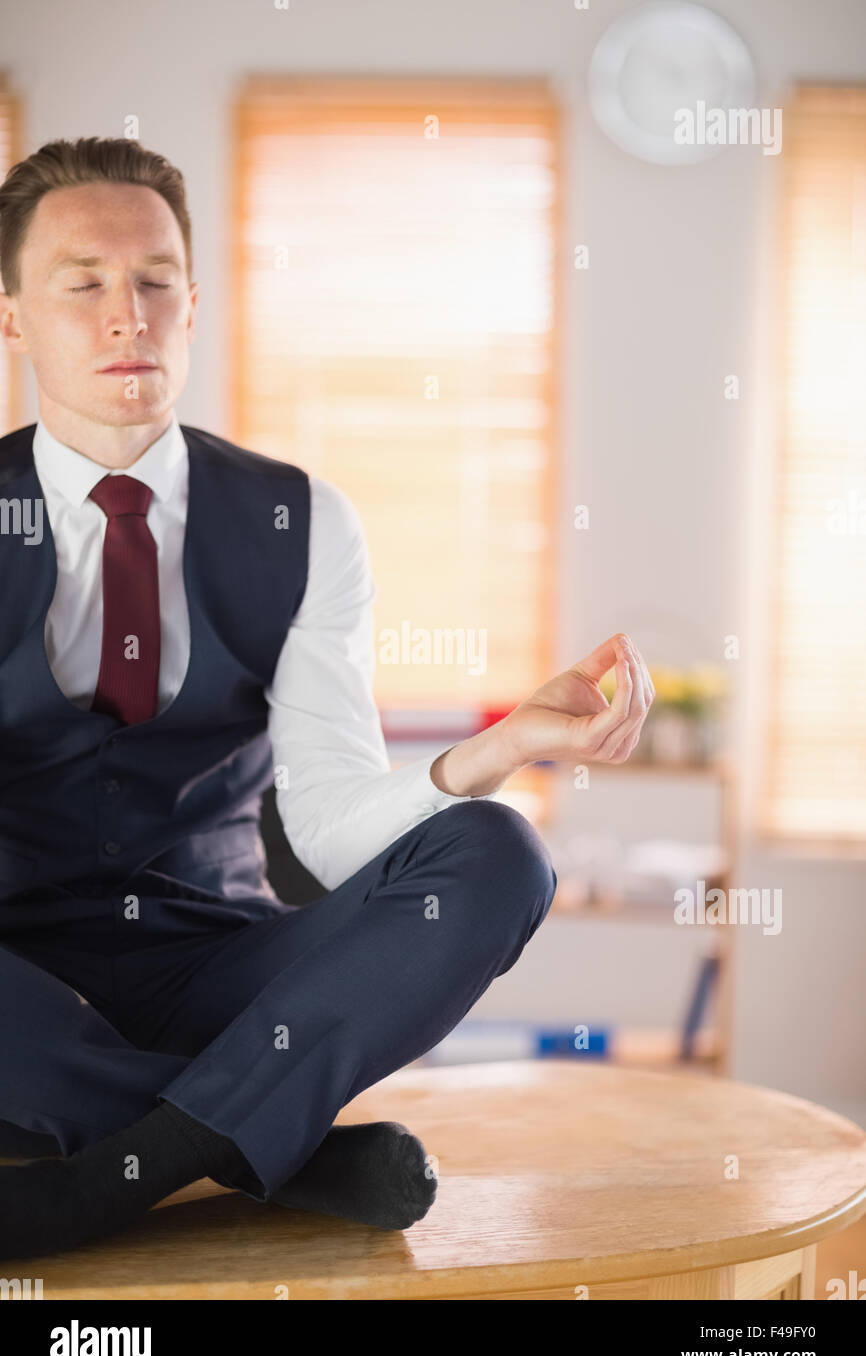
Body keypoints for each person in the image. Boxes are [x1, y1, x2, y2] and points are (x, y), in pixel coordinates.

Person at [0, 136, 654, 1260]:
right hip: (19, 982)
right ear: (13, 315)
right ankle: (279, 1146)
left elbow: (330, 823)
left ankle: (114, 1176)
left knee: (498, 852)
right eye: (85, 284)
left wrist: (496, 753)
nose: (128, 316)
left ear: (193, 303)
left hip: (224, 969)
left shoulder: (300, 521)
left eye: (156, 281)